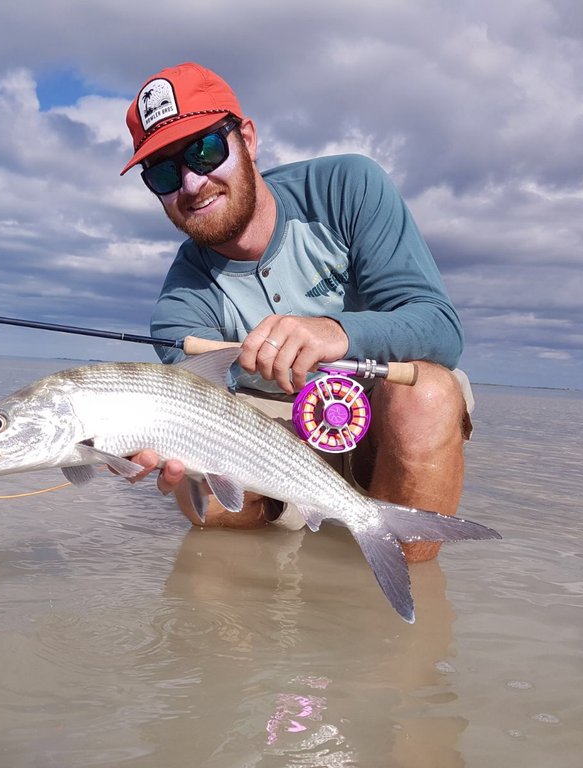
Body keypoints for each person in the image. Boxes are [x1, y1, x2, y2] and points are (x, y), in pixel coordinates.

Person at [119, 62, 473, 563]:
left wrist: (336, 332)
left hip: (377, 423)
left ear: (247, 139)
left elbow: (440, 329)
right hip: (269, 450)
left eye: (205, 151)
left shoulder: (347, 187)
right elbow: (189, 412)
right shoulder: (179, 304)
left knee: (430, 394)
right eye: (162, 172)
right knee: (197, 494)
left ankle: (400, 572)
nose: (192, 183)